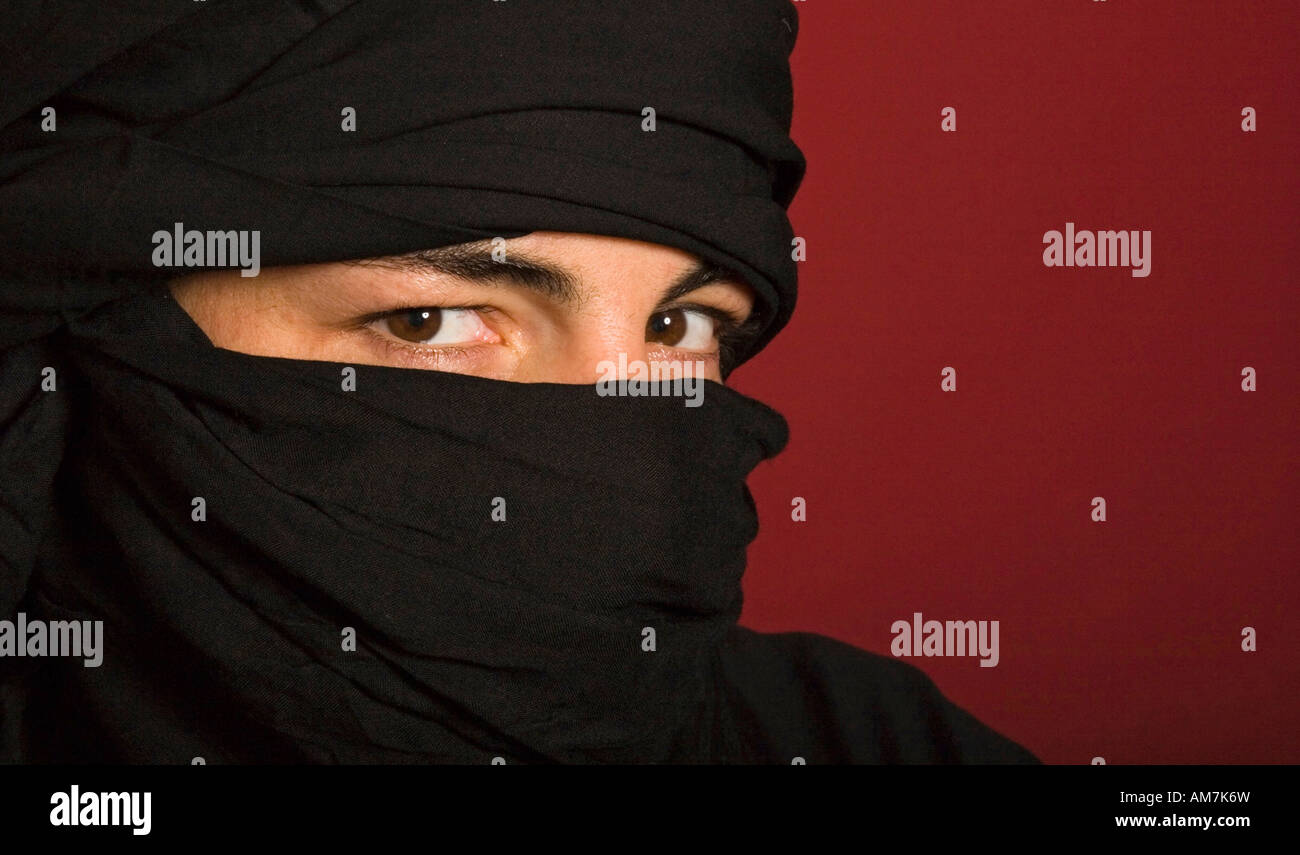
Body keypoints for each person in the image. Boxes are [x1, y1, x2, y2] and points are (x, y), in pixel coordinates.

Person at [0, 1, 1036, 763]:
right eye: (428, 320)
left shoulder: (859, 744)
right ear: (98, 312)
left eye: (678, 327)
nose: (622, 446)